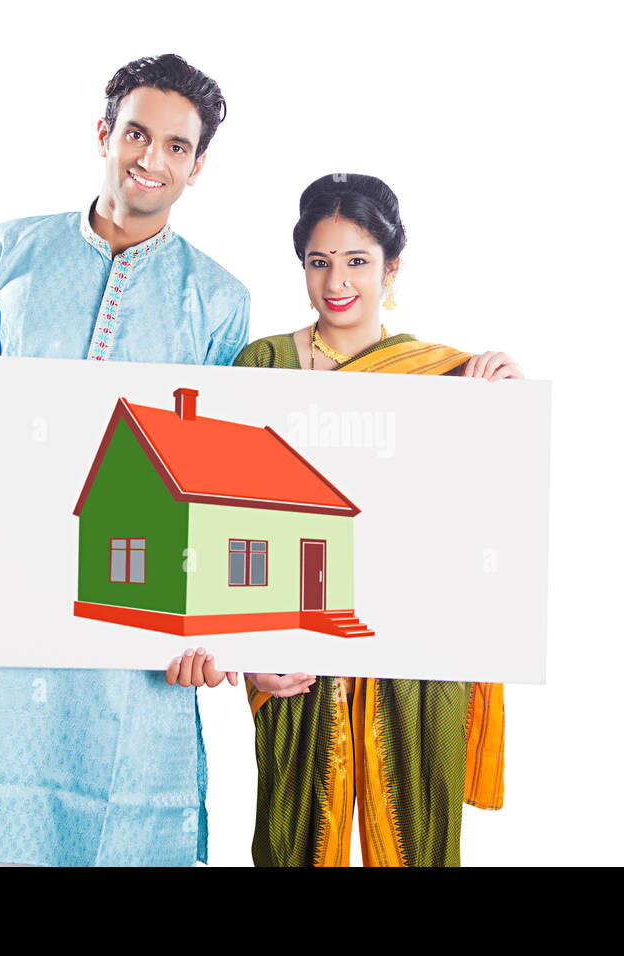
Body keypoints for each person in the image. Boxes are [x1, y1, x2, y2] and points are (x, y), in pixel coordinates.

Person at [0, 54, 244, 867]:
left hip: (139, 625)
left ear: (198, 168)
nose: (149, 159)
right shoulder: (9, 253)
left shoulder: (219, 300)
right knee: (5, 832)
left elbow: (223, 470)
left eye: (175, 146)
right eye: (136, 133)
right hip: (8, 589)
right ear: (104, 132)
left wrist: (223, 625)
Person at [217, 173, 516, 866]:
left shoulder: (444, 375)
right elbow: (225, 517)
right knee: (293, 836)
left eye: (357, 261)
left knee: (420, 838)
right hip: (294, 650)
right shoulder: (262, 365)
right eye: (319, 262)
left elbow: (483, 511)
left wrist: (504, 405)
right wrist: (248, 650)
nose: (336, 282)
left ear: (392, 267)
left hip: (417, 656)